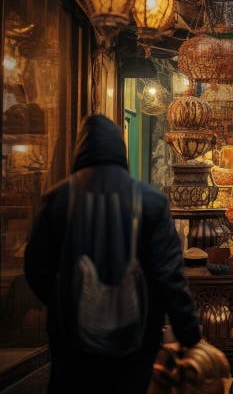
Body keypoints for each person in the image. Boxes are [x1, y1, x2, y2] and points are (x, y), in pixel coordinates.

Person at [24, 115, 202, 393]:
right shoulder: (150, 202)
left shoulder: (58, 200)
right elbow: (169, 276)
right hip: (136, 341)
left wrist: (65, 301)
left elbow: (37, 270)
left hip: (72, 344)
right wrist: (189, 334)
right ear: (121, 150)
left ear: (80, 150)